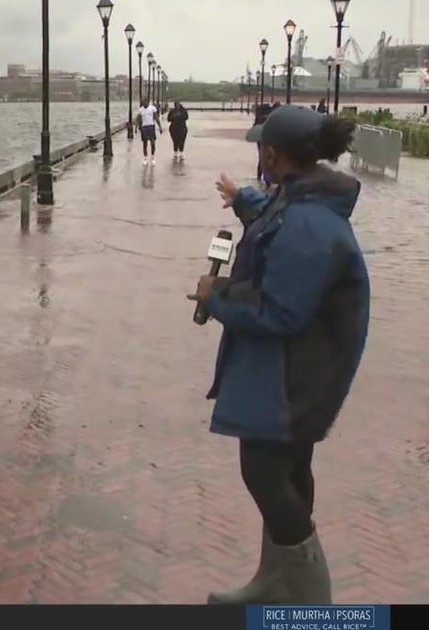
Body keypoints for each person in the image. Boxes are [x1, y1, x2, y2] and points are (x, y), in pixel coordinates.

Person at [189, 105, 370, 605]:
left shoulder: (310, 226)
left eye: (261, 149)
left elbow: (280, 309)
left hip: (297, 375)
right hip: (298, 369)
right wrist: (241, 198)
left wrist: (216, 295)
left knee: (265, 472)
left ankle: (311, 597)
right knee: (287, 470)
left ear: (271, 154)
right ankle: (276, 582)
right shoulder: (302, 201)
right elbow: (273, 214)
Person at [137, 98, 159, 166]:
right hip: (144, 127)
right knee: (145, 144)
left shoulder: (152, 108)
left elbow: (156, 117)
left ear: (148, 102)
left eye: (145, 102)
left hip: (151, 126)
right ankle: (145, 159)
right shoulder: (141, 110)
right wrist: (136, 128)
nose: (144, 103)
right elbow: (138, 119)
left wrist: (160, 126)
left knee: (152, 143)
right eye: (143, 102)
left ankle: (152, 158)